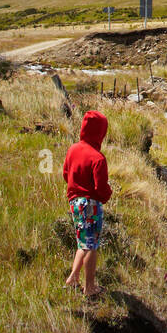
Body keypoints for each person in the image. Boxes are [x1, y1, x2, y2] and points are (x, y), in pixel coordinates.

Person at [63, 110, 111, 297]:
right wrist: (108, 193)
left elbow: (66, 174)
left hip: (74, 202)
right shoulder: (98, 158)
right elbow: (101, 189)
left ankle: (73, 278)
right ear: (100, 133)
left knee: (82, 242)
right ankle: (89, 287)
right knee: (92, 245)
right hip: (90, 205)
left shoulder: (72, 149)